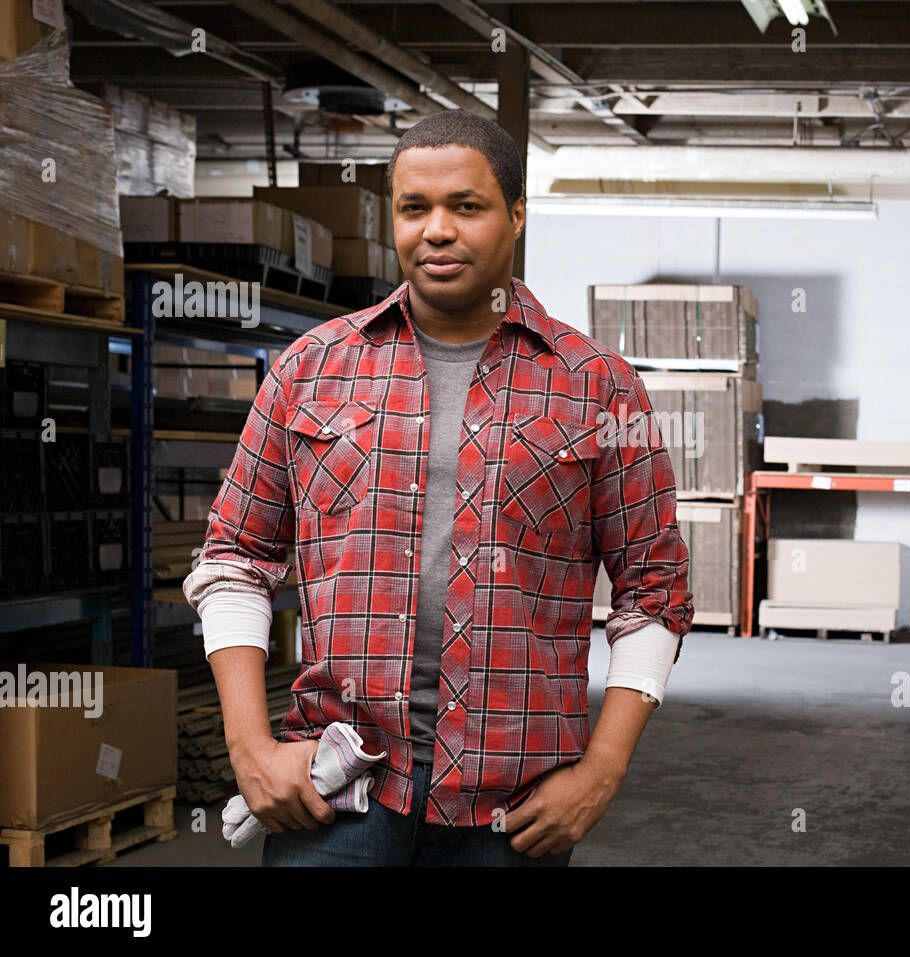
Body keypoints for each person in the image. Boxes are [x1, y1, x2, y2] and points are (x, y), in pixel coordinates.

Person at [182, 111, 694, 866]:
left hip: (511, 809)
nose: (437, 230)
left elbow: (653, 590)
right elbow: (234, 557)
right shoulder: (312, 369)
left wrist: (603, 770)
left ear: (517, 215)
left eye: (467, 205)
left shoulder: (600, 389)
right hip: (338, 794)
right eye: (414, 208)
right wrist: (250, 746)